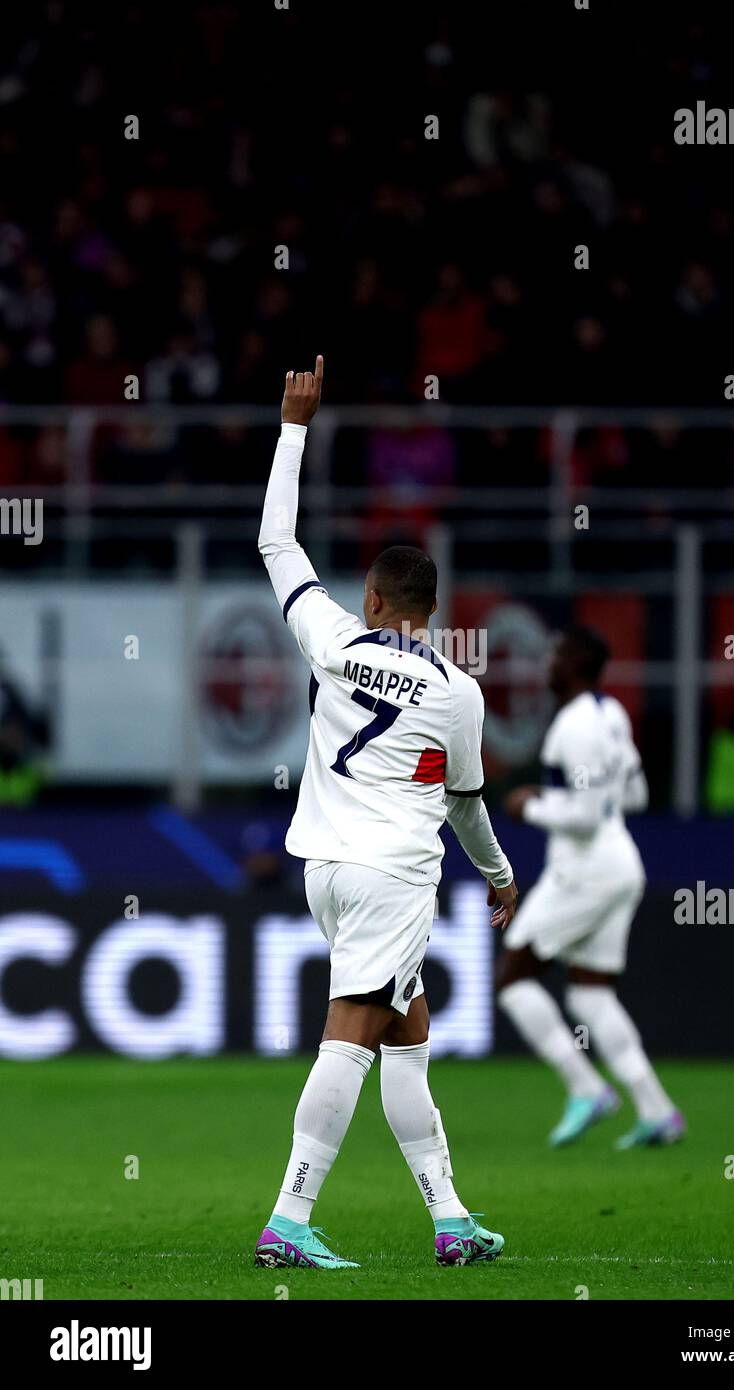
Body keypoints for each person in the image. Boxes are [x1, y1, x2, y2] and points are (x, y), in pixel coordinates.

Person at [254, 357, 518, 1269]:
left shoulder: (331, 636)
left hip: (323, 869)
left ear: (373, 602)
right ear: (433, 612)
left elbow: (277, 549)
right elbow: (467, 800)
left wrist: (296, 425)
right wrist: (499, 876)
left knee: (409, 1034)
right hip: (396, 874)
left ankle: (450, 1219)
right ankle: (288, 1220)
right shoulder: (459, 692)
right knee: (354, 1031)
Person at [497, 626, 684, 1150]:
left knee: (513, 978)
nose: (546, 665)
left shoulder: (572, 726)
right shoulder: (611, 714)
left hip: (585, 872)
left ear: (576, 663)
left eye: (555, 655)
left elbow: (580, 817)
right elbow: (637, 794)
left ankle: (586, 1087)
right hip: (622, 864)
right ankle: (657, 1110)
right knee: (590, 994)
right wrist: (583, 805)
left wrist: (527, 806)